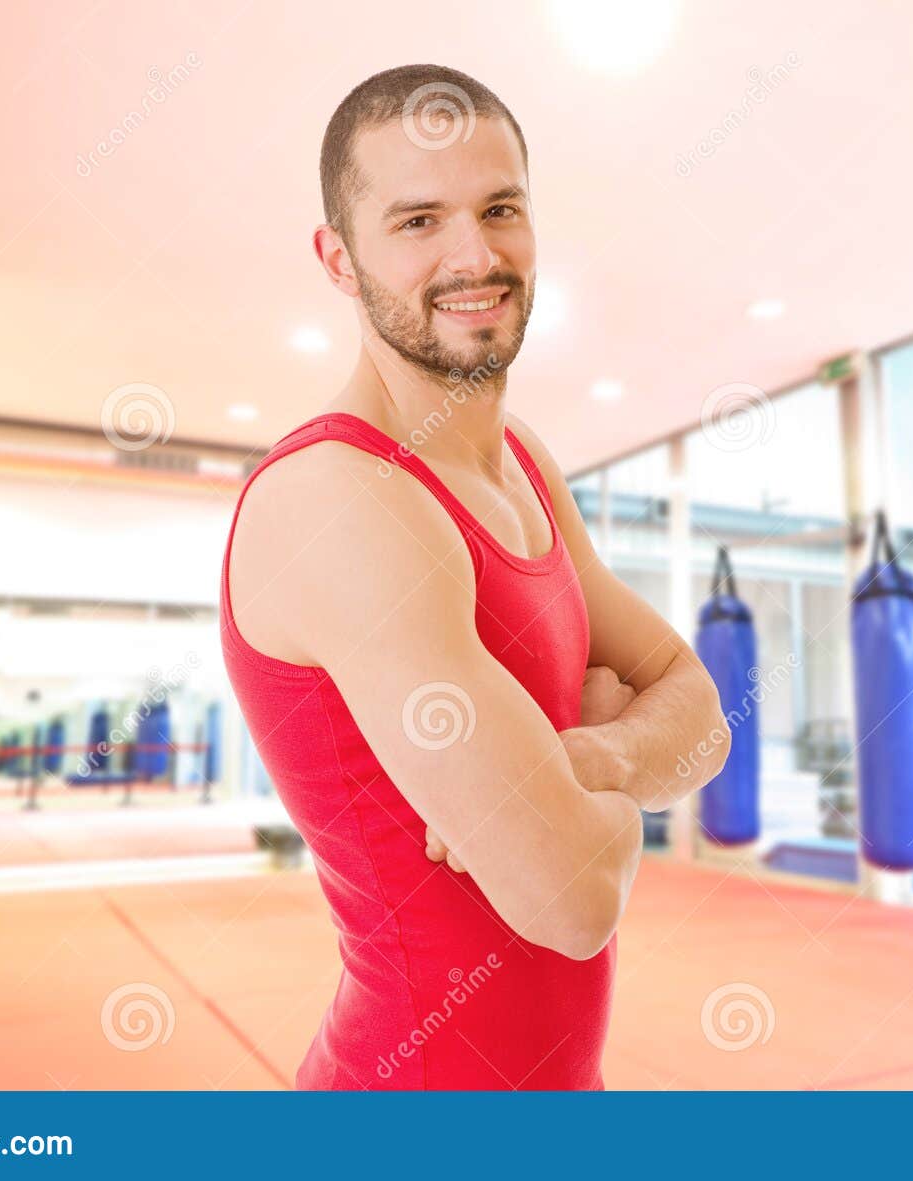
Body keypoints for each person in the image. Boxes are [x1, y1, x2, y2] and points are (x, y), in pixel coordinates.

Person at [219, 63, 730, 1091]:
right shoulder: (338, 495)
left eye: (500, 208)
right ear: (338, 258)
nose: (475, 254)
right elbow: (574, 897)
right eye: (417, 220)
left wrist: (583, 766)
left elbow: (705, 717)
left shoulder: (526, 463)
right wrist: (624, 776)